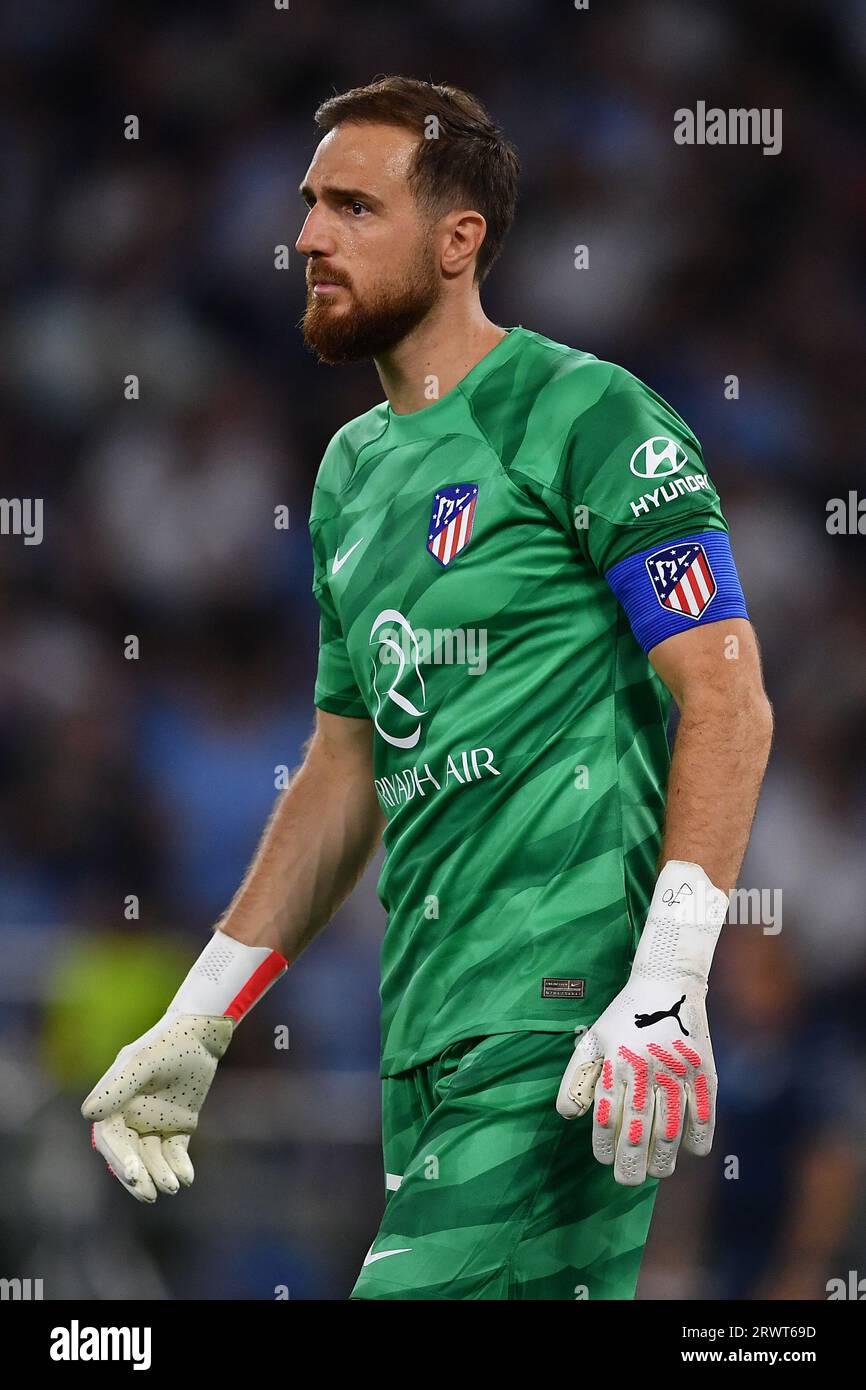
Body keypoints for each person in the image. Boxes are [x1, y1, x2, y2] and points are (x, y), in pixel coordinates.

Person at [82, 75, 774, 1301]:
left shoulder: (585, 413)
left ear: (459, 242)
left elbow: (727, 700)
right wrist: (199, 1015)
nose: (306, 238)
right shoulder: (350, 473)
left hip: (562, 1020)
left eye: (353, 207)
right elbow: (344, 771)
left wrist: (667, 982)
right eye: (308, 206)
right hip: (423, 1037)